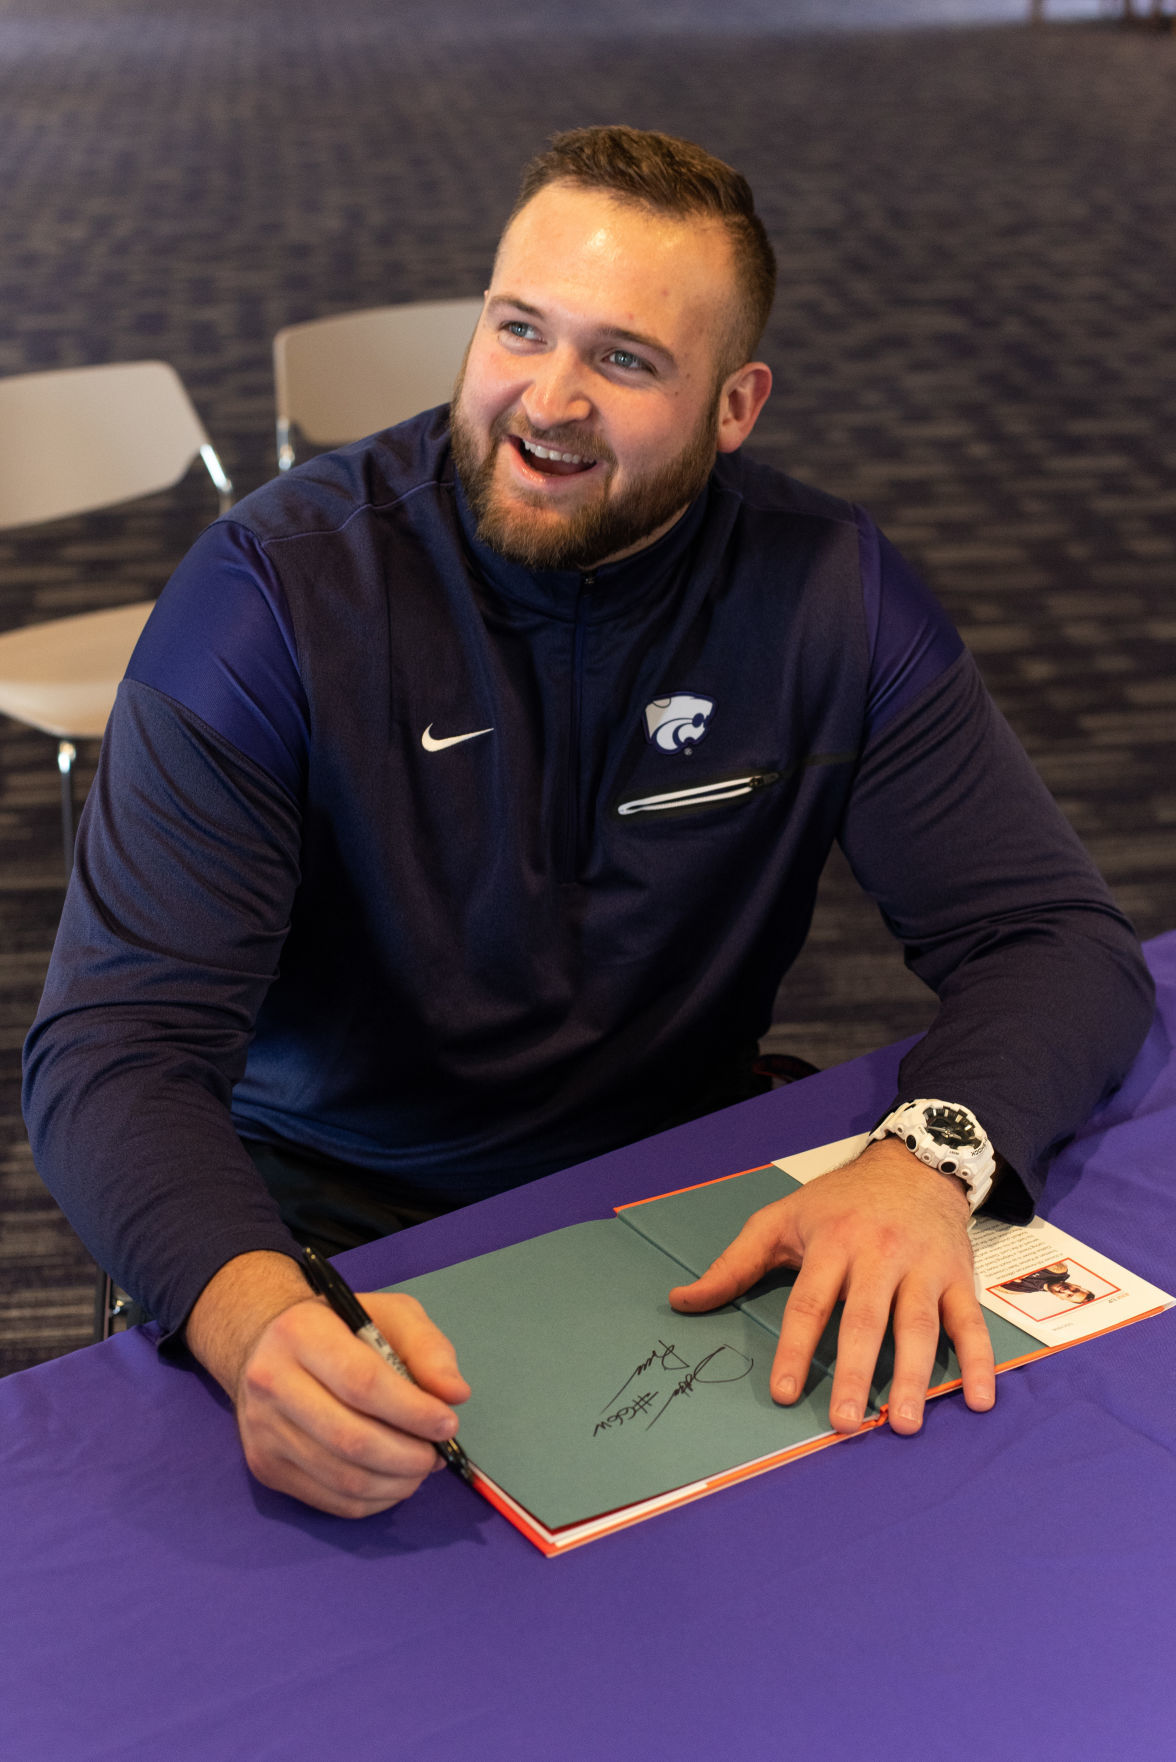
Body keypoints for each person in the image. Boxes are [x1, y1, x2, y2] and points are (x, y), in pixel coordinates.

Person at [24, 126, 1152, 1519]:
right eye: (519, 329)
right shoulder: (272, 597)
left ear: (735, 406)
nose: (546, 402)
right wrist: (255, 1318)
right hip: (330, 1212)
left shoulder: (828, 592)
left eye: (624, 360)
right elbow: (115, 1046)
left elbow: (1055, 938)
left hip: (683, 1186)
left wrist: (923, 1163)